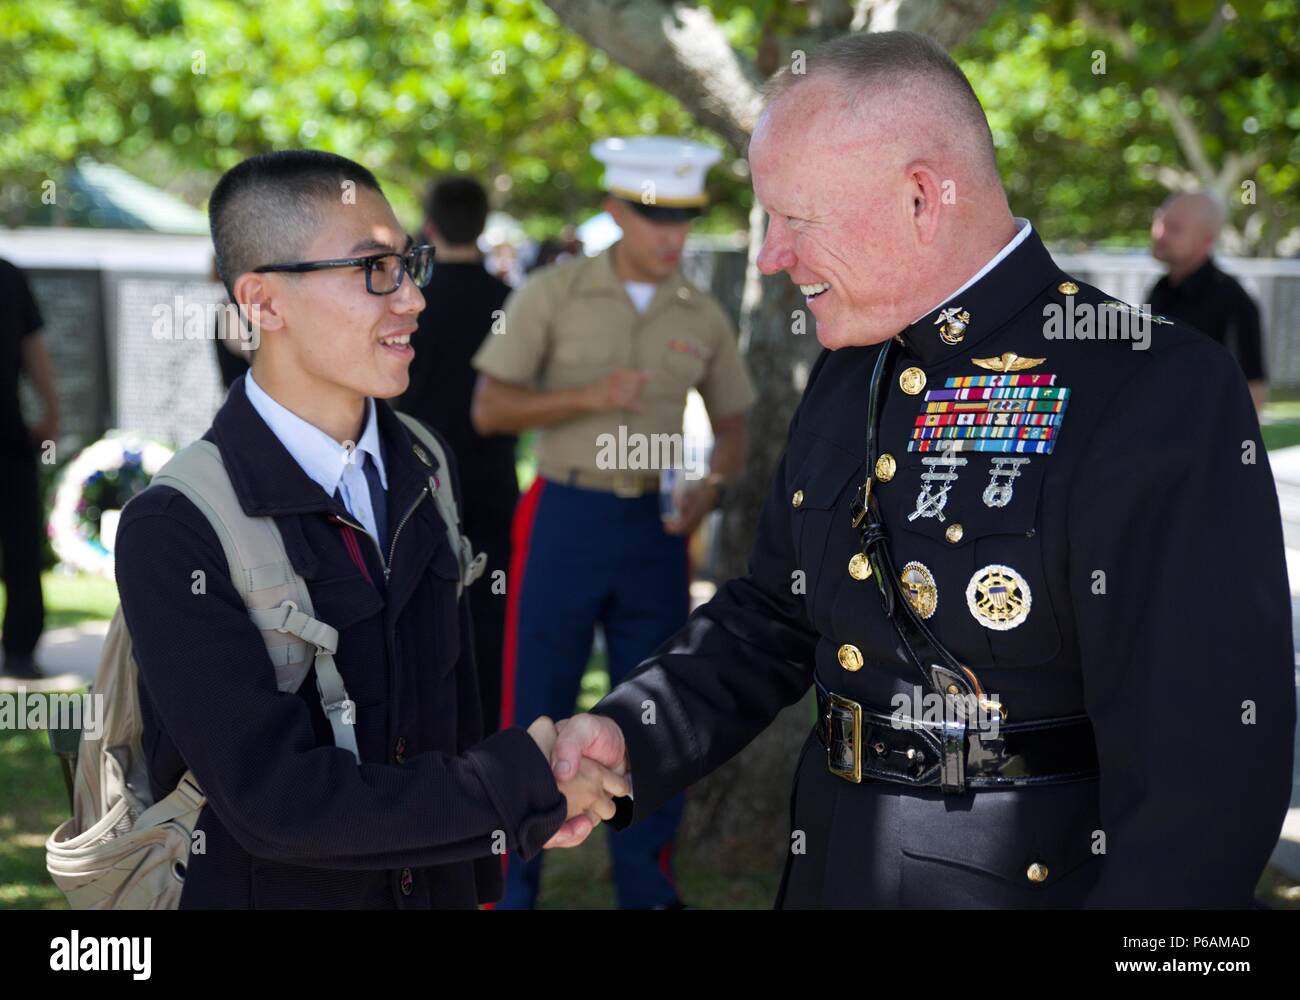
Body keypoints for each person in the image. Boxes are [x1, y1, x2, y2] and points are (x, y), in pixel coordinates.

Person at [547, 31, 1295, 908]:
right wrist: (630, 732)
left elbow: (1205, 769)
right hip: (833, 867)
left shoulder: (1149, 385)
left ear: (919, 197)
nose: (769, 257)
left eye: (796, 218)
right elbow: (772, 615)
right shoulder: (855, 363)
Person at [113, 150, 627, 909]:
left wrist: (511, 817)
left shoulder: (424, 461)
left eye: (408, 263)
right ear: (263, 301)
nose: (412, 298)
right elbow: (275, 800)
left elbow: (454, 720)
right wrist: (515, 785)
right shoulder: (176, 525)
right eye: (373, 270)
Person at [471, 135, 757, 909]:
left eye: (684, 219)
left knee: (656, 706)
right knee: (533, 702)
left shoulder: (702, 312)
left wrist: (714, 484)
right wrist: (591, 395)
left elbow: (733, 422)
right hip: (565, 514)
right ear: (614, 211)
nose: (671, 236)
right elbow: (490, 407)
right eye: (653, 217)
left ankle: (647, 887)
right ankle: (510, 889)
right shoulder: (548, 294)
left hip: (655, 531)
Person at [399, 176, 515, 734]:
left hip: (417, 476)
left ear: (429, 227)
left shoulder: (409, 301)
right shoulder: (508, 301)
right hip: (491, 479)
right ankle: (486, 737)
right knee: (489, 617)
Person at [1150, 191, 1268, 412]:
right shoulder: (1161, 290)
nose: (1160, 234)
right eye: (1160, 222)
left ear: (1206, 241)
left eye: (1175, 229)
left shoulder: (1233, 301)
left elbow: (1252, 391)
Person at [0, 257, 58, 680]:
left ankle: (21, 646)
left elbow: (31, 345)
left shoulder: (8, 276)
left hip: (8, 436)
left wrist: (51, 412)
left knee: (21, 545)